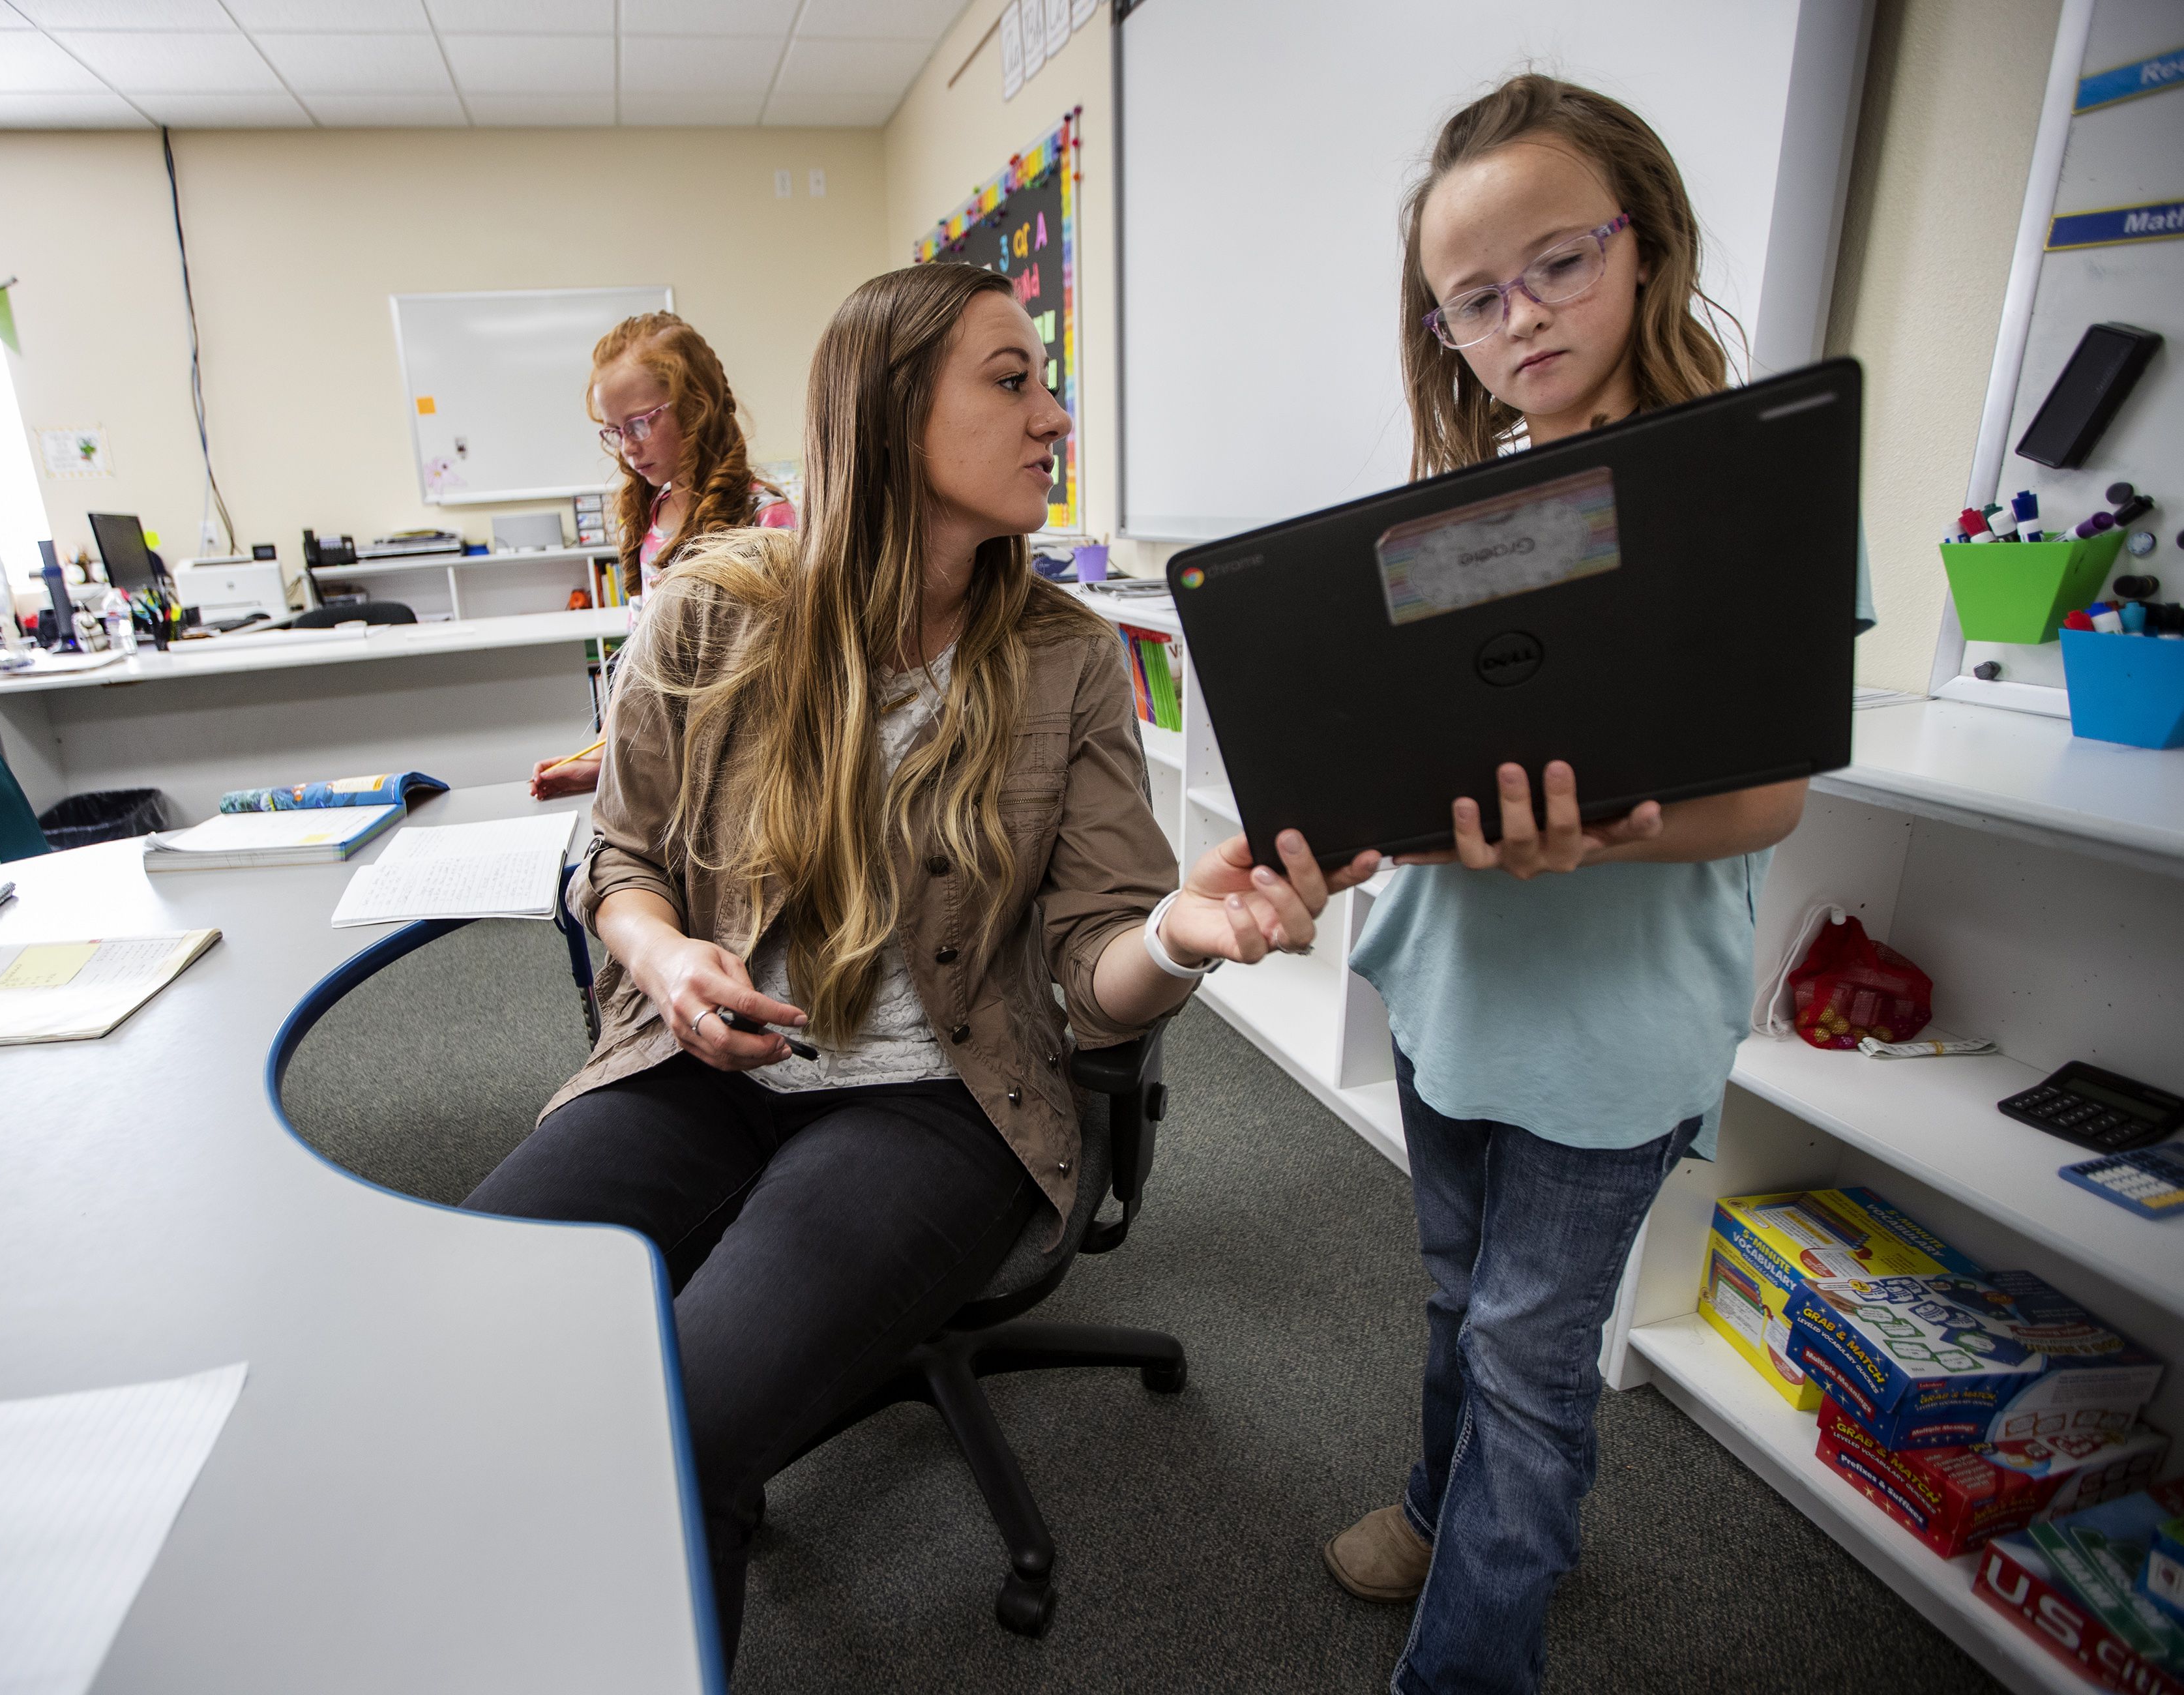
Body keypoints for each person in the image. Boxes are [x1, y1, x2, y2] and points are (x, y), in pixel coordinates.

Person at [466, 261, 1380, 1665]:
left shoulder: (1064, 658)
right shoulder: (711, 611)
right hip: (704, 1059)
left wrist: (1178, 938)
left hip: (937, 1097)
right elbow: (617, 854)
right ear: (889, 414)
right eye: (1012, 381)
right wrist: (661, 951)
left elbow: (1089, 980)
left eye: (1045, 382)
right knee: (469, 1326)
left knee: (681, 1427)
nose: (1056, 417)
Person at [1317, 74, 1874, 1695]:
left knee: (1530, 1349)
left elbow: (1766, 795)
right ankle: (1448, 1507)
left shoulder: (1756, 491)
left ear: (1647, 246)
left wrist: (1613, 825)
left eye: (1555, 265)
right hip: (1447, 983)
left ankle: (1474, 1655)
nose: (1520, 317)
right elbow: (1406, 756)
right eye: (1473, 299)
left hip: (1612, 1025)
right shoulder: (1455, 514)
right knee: (1453, 1299)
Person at [530, 312, 795, 800]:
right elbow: (637, 657)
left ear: (696, 408)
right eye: (614, 431)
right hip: (670, 760)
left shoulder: (767, 517)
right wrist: (602, 754)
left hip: (750, 768)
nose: (628, 447)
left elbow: (795, 664)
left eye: (639, 424)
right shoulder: (649, 516)